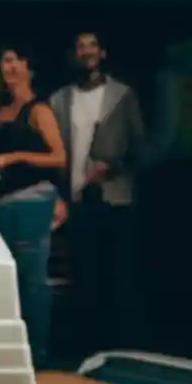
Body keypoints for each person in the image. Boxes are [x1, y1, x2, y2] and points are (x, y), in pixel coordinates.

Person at [0, 46, 68, 368]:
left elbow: (59, 156)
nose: (8, 67)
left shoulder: (38, 110)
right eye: (4, 61)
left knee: (31, 276)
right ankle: (5, 349)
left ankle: (37, 351)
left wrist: (16, 156)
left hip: (32, 197)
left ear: (28, 67)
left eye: (15, 60)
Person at [48, 31, 147, 354]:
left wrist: (113, 164)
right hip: (78, 199)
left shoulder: (122, 95)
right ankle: (87, 348)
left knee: (119, 275)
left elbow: (140, 146)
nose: (86, 51)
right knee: (85, 275)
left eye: (92, 45)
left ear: (102, 52)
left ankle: (124, 347)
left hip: (115, 197)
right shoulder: (61, 99)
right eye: (80, 46)